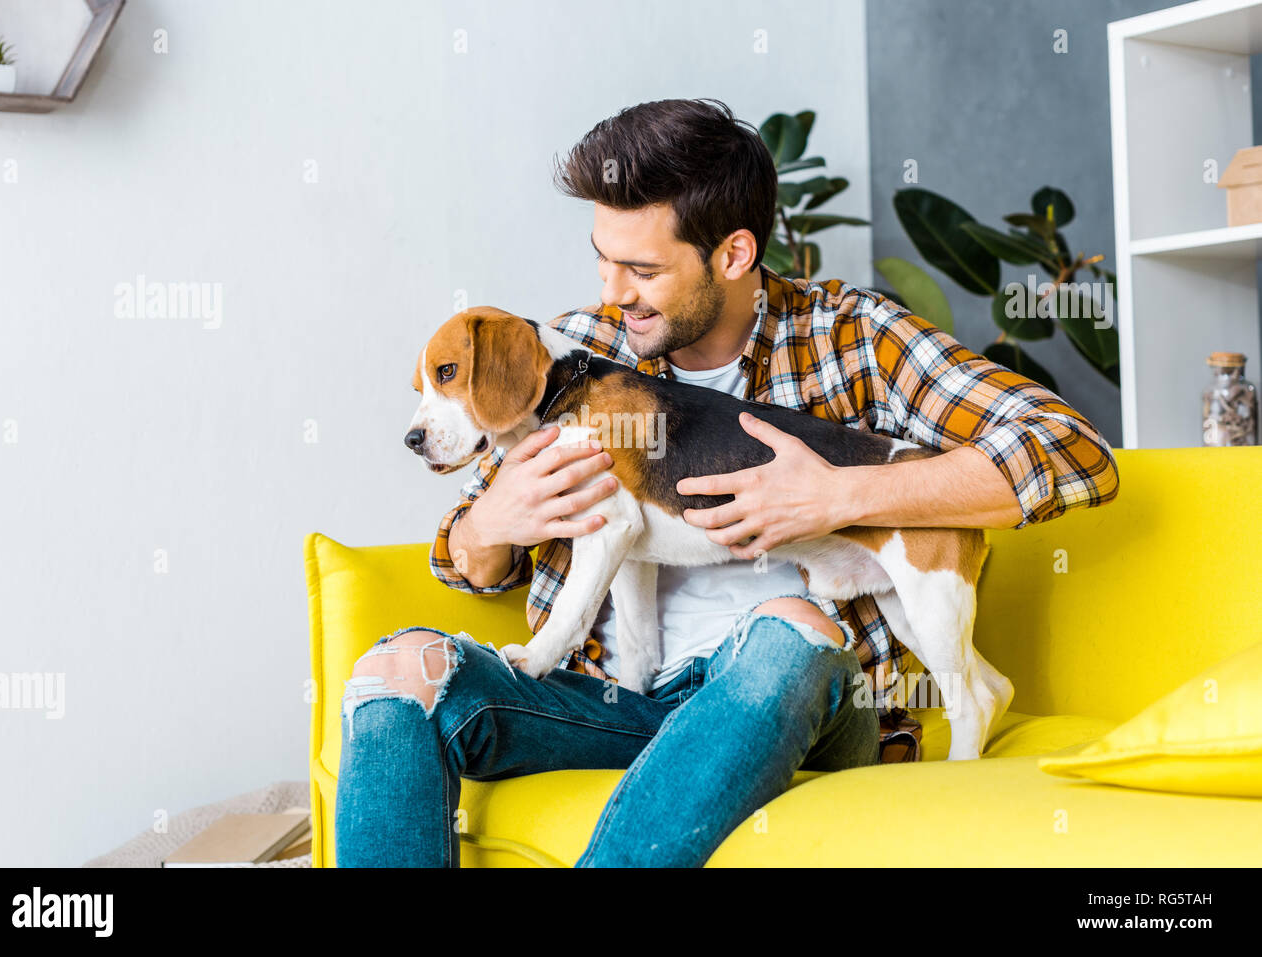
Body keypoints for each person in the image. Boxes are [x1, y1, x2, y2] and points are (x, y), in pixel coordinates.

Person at [334, 98, 1119, 867]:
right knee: (394, 670)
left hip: (800, 699)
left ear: (734, 254)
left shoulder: (855, 337)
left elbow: (1071, 450)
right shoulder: (579, 353)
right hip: (617, 702)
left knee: (788, 626)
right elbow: (464, 561)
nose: (613, 292)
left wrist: (842, 495)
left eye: (641, 269)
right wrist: (491, 521)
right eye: (604, 259)